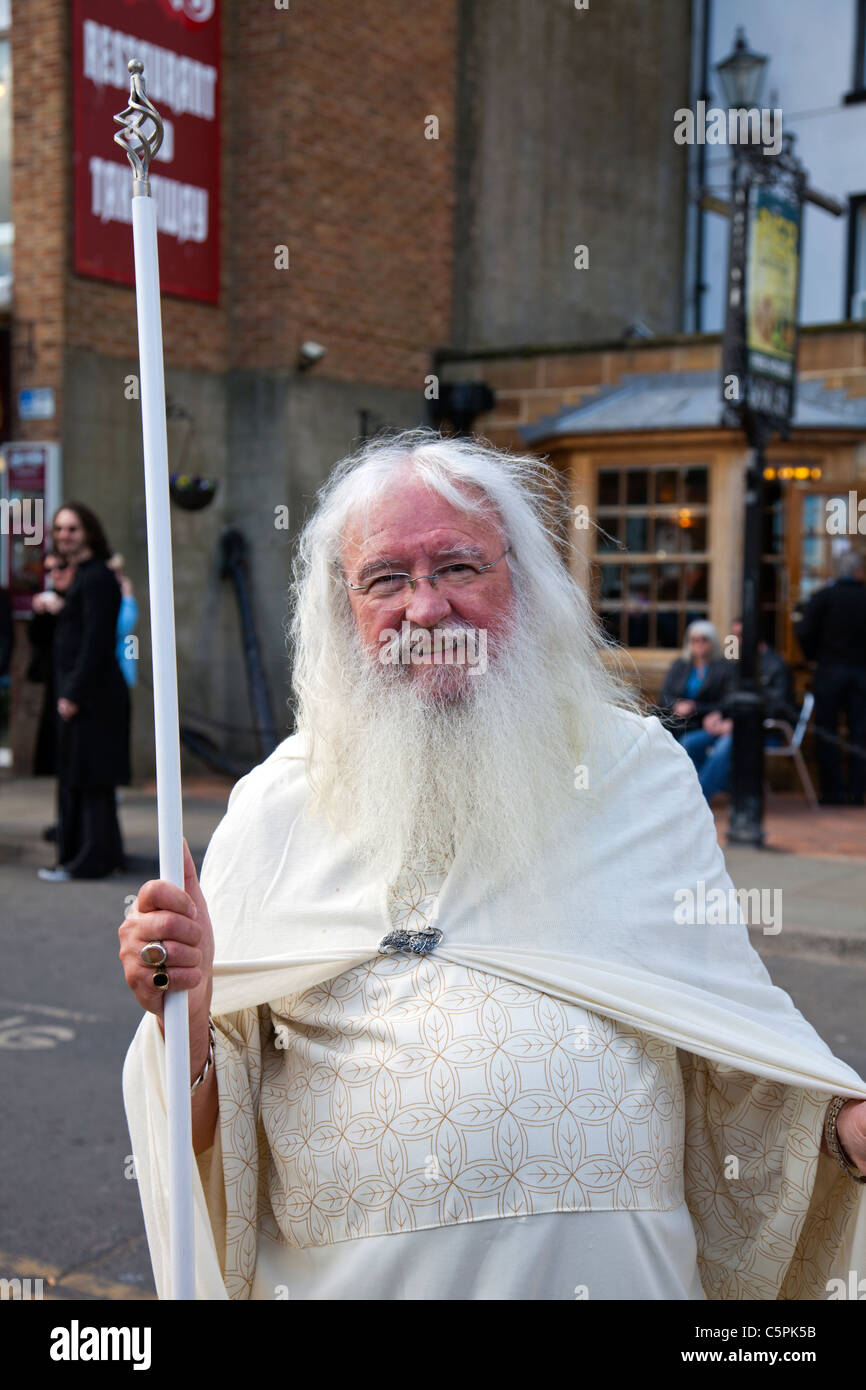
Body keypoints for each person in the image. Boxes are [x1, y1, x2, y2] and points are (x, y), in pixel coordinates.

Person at [120, 431, 866, 1302]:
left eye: (459, 568)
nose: (426, 610)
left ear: (526, 578)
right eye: (386, 579)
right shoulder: (275, 804)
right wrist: (188, 1018)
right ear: (342, 608)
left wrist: (840, 1125)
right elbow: (207, 1130)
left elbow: (732, 1049)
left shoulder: (637, 774)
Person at [38, 503, 131, 882]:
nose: (64, 535)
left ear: (88, 532)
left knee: (91, 779)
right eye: (60, 529)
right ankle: (99, 855)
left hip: (93, 699)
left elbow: (96, 640)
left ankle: (89, 861)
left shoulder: (97, 579)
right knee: (83, 777)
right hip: (84, 695)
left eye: (72, 529)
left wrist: (73, 693)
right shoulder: (83, 579)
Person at [680, 618, 794, 804]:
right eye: (733, 635)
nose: (736, 640)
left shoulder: (775, 665)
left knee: (723, 747)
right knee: (688, 742)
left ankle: (697, 800)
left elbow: (776, 708)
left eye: (740, 635)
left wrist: (737, 723)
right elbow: (729, 699)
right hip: (731, 726)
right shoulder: (735, 663)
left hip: (764, 730)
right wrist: (717, 715)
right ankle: (724, 786)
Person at [794, 550, 866, 806]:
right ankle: (858, 792)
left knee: (827, 731)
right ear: (859, 571)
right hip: (860, 674)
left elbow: (803, 631)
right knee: (860, 732)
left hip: (829, 671)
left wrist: (813, 656)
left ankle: (832, 792)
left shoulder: (824, 597)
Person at [656, 621, 734, 739]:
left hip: (705, 723)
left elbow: (726, 702)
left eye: (704, 639)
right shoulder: (680, 665)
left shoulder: (724, 668)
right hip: (676, 723)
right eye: (694, 640)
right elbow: (664, 695)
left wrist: (695, 707)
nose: (699, 643)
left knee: (688, 743)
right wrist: (676, 705)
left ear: (713, 642)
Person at [108, 553, 139, 689]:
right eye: (114, 572)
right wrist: (128, 599)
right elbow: (124, 625)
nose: (119, 577)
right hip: (112, 673)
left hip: (123, 673)